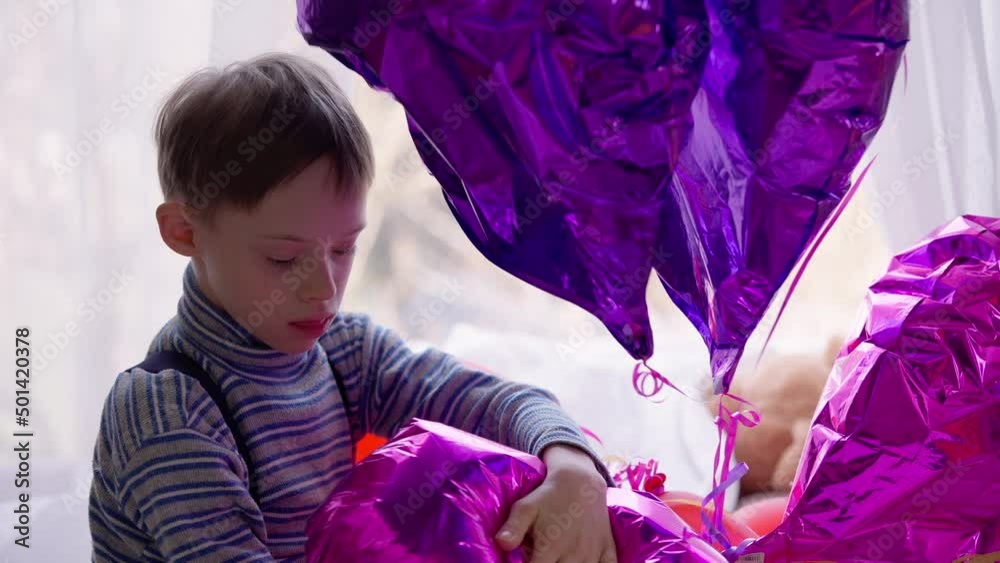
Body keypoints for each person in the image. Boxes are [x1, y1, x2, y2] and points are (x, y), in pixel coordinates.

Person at [87, 52, 618, 562]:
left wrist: (571, 463)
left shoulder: (342, 351)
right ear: (185, 232)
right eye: (283, 257)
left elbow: (483, 399)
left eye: (343, 249)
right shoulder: (169, 411)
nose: (323, 289)